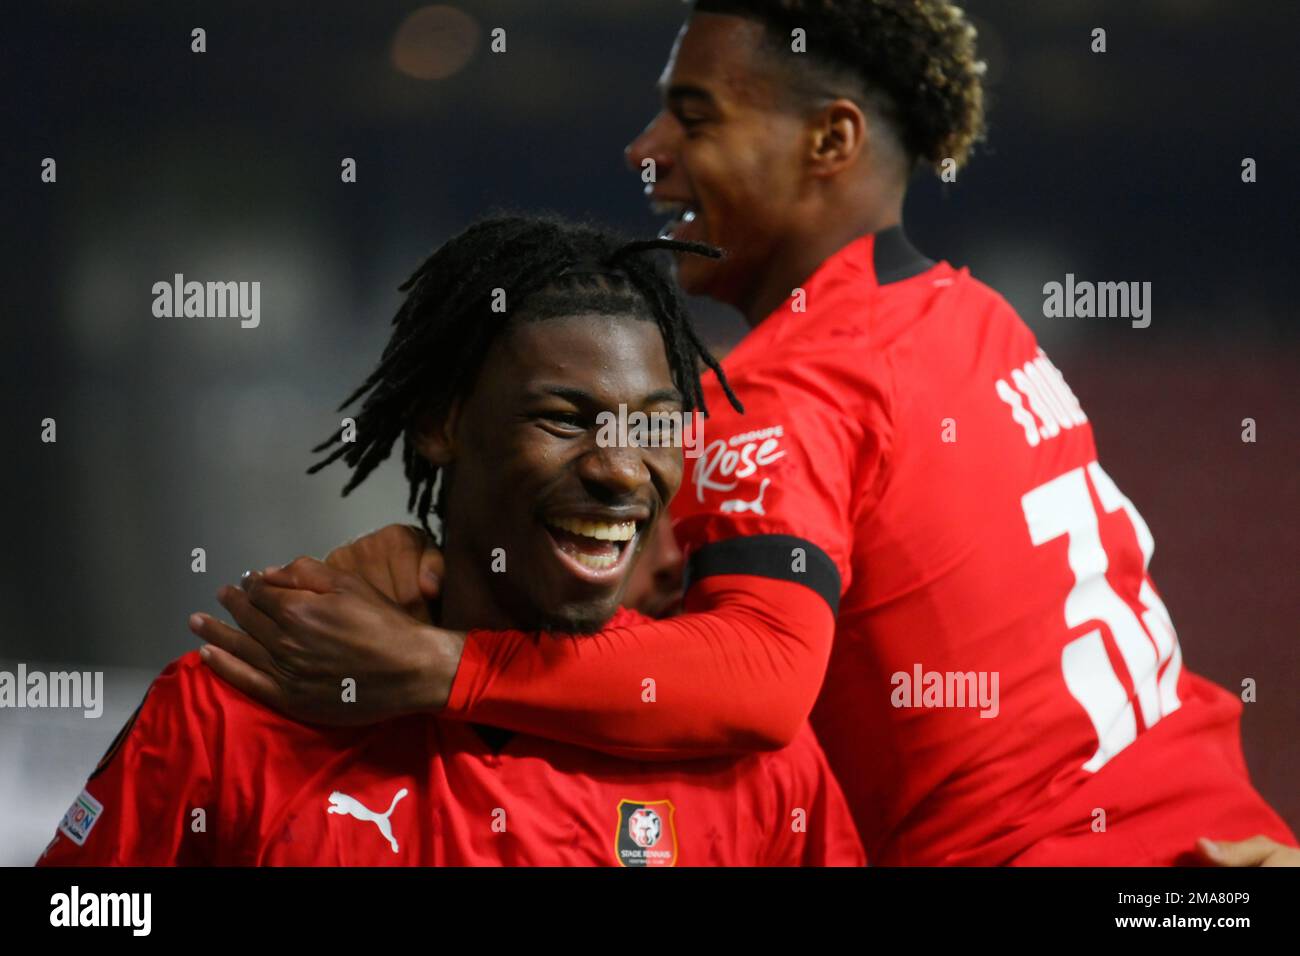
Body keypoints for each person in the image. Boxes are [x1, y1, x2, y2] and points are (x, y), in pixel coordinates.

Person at [195, 2, 1297, 865]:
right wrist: (423, 562)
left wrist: (446, 665)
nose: (646, 149)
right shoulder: (970, 320)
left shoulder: (794, 376)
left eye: (695, 114)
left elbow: (761, 672)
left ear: (831, 138)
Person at [38, 216, 864, 867]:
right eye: (565, 418)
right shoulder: (237, 704)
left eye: (651, 423)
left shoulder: (747, 758)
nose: (621, 470)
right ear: (442, 424)